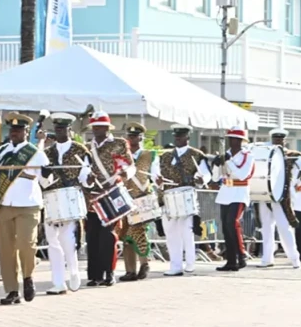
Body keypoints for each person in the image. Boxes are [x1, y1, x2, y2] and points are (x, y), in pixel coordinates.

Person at [0, 113, 48, 305]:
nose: (15, 133)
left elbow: (45, 181)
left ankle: (28, 277)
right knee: (6, 250)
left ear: (27, 132)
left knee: (27, 245)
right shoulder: (1, 152)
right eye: (12, 130)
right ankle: (11, 290)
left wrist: (46, 172)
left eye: (19, 130)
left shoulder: (36, 153)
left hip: (28, 205)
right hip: (5, 205)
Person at [39, 113, 91, 295]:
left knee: (68, 239)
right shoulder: (47, 153)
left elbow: (85, 177)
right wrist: (45, 176)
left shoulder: (80, 150)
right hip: (52, 198)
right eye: (57, 128)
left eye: (63, 128)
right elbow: (41, 178)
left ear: (70, 130)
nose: (59, 131)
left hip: (70, 198)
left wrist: (89, 180)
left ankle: (74, 271)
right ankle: (58, 282)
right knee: (52, 241)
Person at [83, 110, 135, 287]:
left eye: (100, 126)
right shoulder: (87, 147)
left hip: (112, 195)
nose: (97, 129)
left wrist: (126, 172)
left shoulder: (119, 143)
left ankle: (109, 272)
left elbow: (130, 165)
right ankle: (94, 275)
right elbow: (83, 171)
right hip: (92, 197)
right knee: (92, 237)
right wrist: (87, 181)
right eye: (94, 126)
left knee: (108, 236)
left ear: (107, 127)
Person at [157, 124, 211, 276]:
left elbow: (205, 174)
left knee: (186, 230)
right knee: (171, 232)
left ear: (188, 137)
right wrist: (158, 181)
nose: (177, 139)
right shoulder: (165, 155)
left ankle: (190, 263)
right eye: (176, 136)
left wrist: (201, 179)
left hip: (186, 194)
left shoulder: (196, 154)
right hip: (168, 196)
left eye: (181, 136)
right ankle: (175, 266)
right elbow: (157, 175)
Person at [118, 123, 159, 281]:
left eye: (136, 136)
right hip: (125, 198)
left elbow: (155, 175)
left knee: (139, 231)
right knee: (126, 235)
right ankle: (130, 271)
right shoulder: (122, 156)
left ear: (141, 137)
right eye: (130, 136)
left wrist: (159, 181)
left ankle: (144, 263)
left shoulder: (150, 155)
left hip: (142, 198)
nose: (133, 139)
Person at [258, 128, 301, 269]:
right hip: (265, 195)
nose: (278, 141)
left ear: (284, 141)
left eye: (280, 139)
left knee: (284, 228)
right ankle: (267, 258)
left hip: (283, 196)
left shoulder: (292, 155)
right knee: (266, 228)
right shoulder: (266, 154)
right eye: (275, 139)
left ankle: (295, 259)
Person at [213, 128, 255, 272]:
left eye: (236, 139)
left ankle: (241, 255)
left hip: (239, 192)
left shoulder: (247, 156)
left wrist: (228, 162)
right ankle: (231, 261)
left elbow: (242, 175)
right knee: (226, 227)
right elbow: (215, 178)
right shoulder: (227, 155)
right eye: (230, 139)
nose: (232, 141)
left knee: (233, 222)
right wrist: (216, 164)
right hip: (226, 192)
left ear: (241, 141)